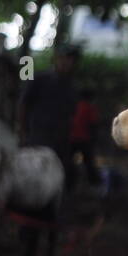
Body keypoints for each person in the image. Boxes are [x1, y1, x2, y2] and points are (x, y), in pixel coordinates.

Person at [17, 46, 80, 177]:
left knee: (59, 173)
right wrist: (22, 131)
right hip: (38, 134)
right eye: (62, 58)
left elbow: (72, 113)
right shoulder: (40, 79)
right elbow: (24, 104)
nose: (65, 62)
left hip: (61, 138)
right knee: (35, 171)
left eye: (69, 59)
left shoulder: (71, 86)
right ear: (56, 60)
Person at [68, 88, 103, 191]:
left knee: (69, 162)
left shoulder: (74, 107)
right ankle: (95, 185)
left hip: (71, 139)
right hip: (84, 139)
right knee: (89, 163)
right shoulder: (90, 107)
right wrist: (95, 138)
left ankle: (70, 185)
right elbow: (94, 123)